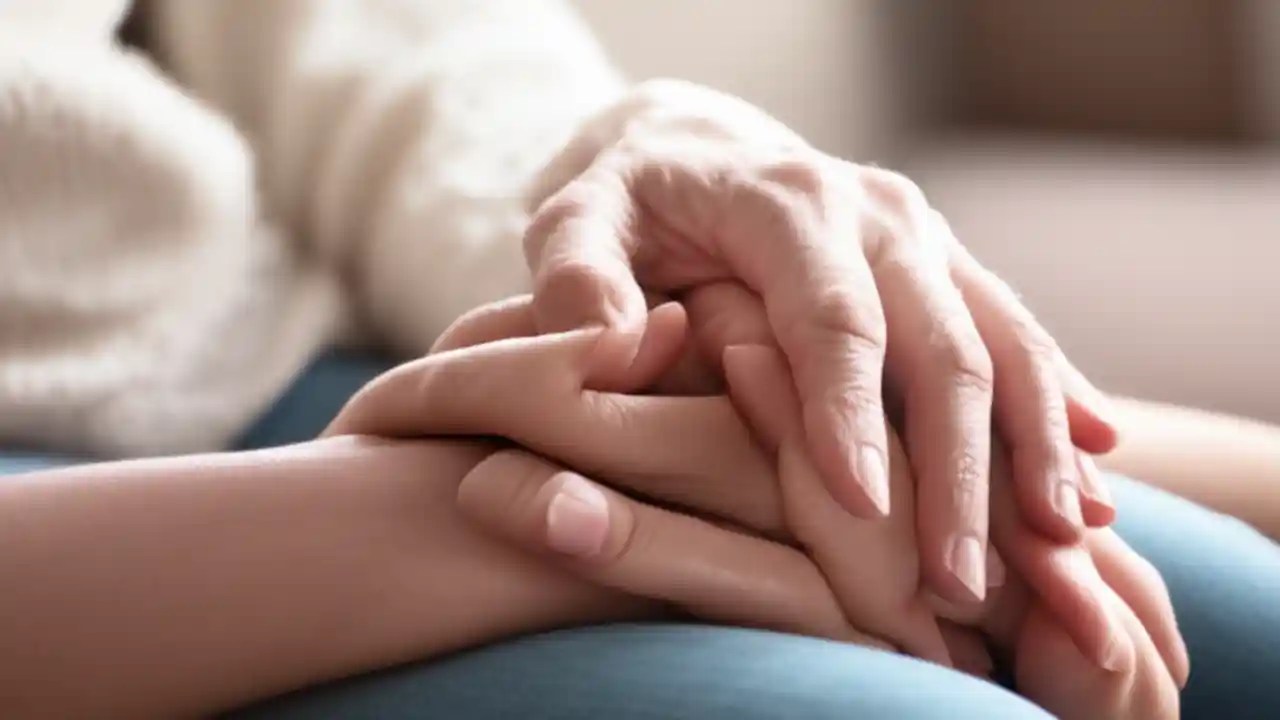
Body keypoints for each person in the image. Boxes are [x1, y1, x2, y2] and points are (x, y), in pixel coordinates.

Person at [1, 0, 1277, 717]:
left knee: (1247, 606)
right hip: (117, 565)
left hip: (278, 350)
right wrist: (513, 509)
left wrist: (631, 205)